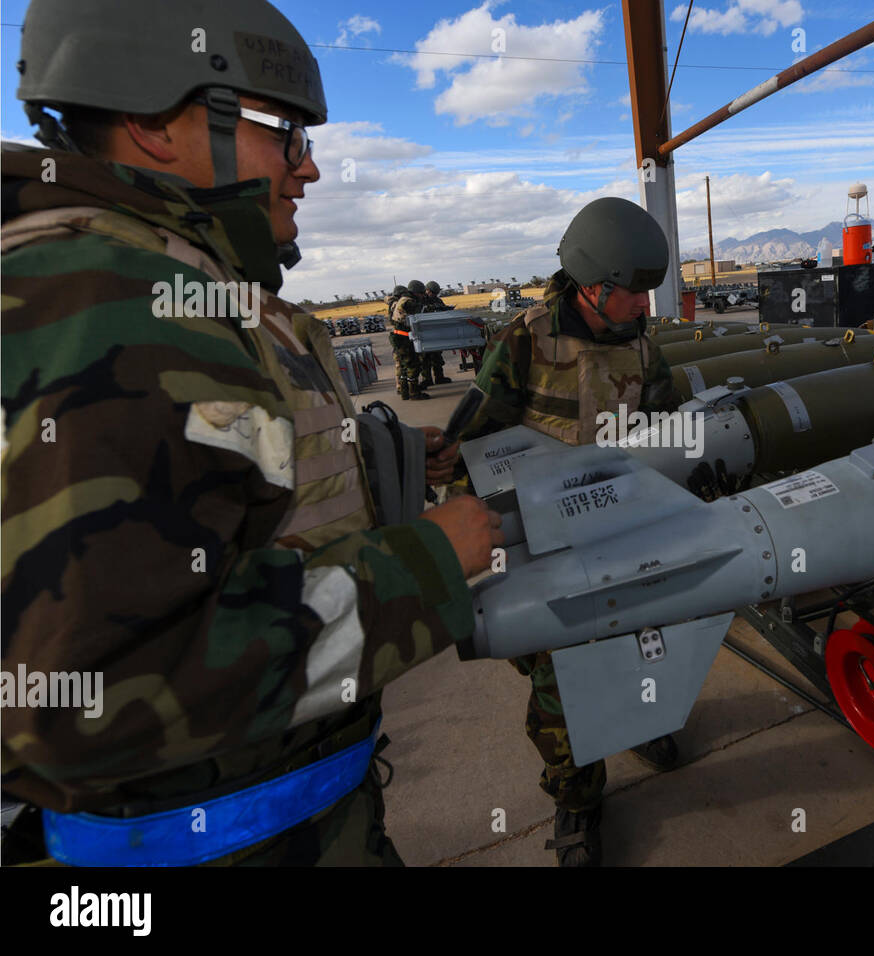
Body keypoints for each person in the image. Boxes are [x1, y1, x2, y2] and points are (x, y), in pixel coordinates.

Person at [1, 0, 503, 867]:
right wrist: (429, 562)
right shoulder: (106, 298)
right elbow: (92, 694)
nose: (305, 170)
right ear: (157, 123)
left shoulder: (186, 285)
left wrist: (372, 466)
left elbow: (208, 503)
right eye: (289, 134)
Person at [456, 197, 684, 866]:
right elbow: (475, 445)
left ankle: (639, 725)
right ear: (592, 285)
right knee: (563, 682)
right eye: (633, 293)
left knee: (645, 647)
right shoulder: (525, 340)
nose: (644, 306)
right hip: (543, 542)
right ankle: (578, 803)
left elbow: (667, 425)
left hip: (621, 529)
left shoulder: (641, 344)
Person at [389, 279, 429, 399]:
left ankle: (405, 392)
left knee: (404, 367)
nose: (422, 296)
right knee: (413, 365)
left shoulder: (402, 300)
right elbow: (422, 310)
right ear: (416, 292)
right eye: (421, 294)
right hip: (404, 339)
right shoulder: (408, 301)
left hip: (399, 337)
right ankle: (414, 393)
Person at [417, 280, 453, 387]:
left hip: (436, 332)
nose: (433, 295)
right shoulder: (420, 301)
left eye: (435, 293)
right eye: (431, 292)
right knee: (425, 358)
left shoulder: (438, 300)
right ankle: (426, 379)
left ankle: (439, 377)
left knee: (437, 356)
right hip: (424, 332)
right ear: (426, 290)